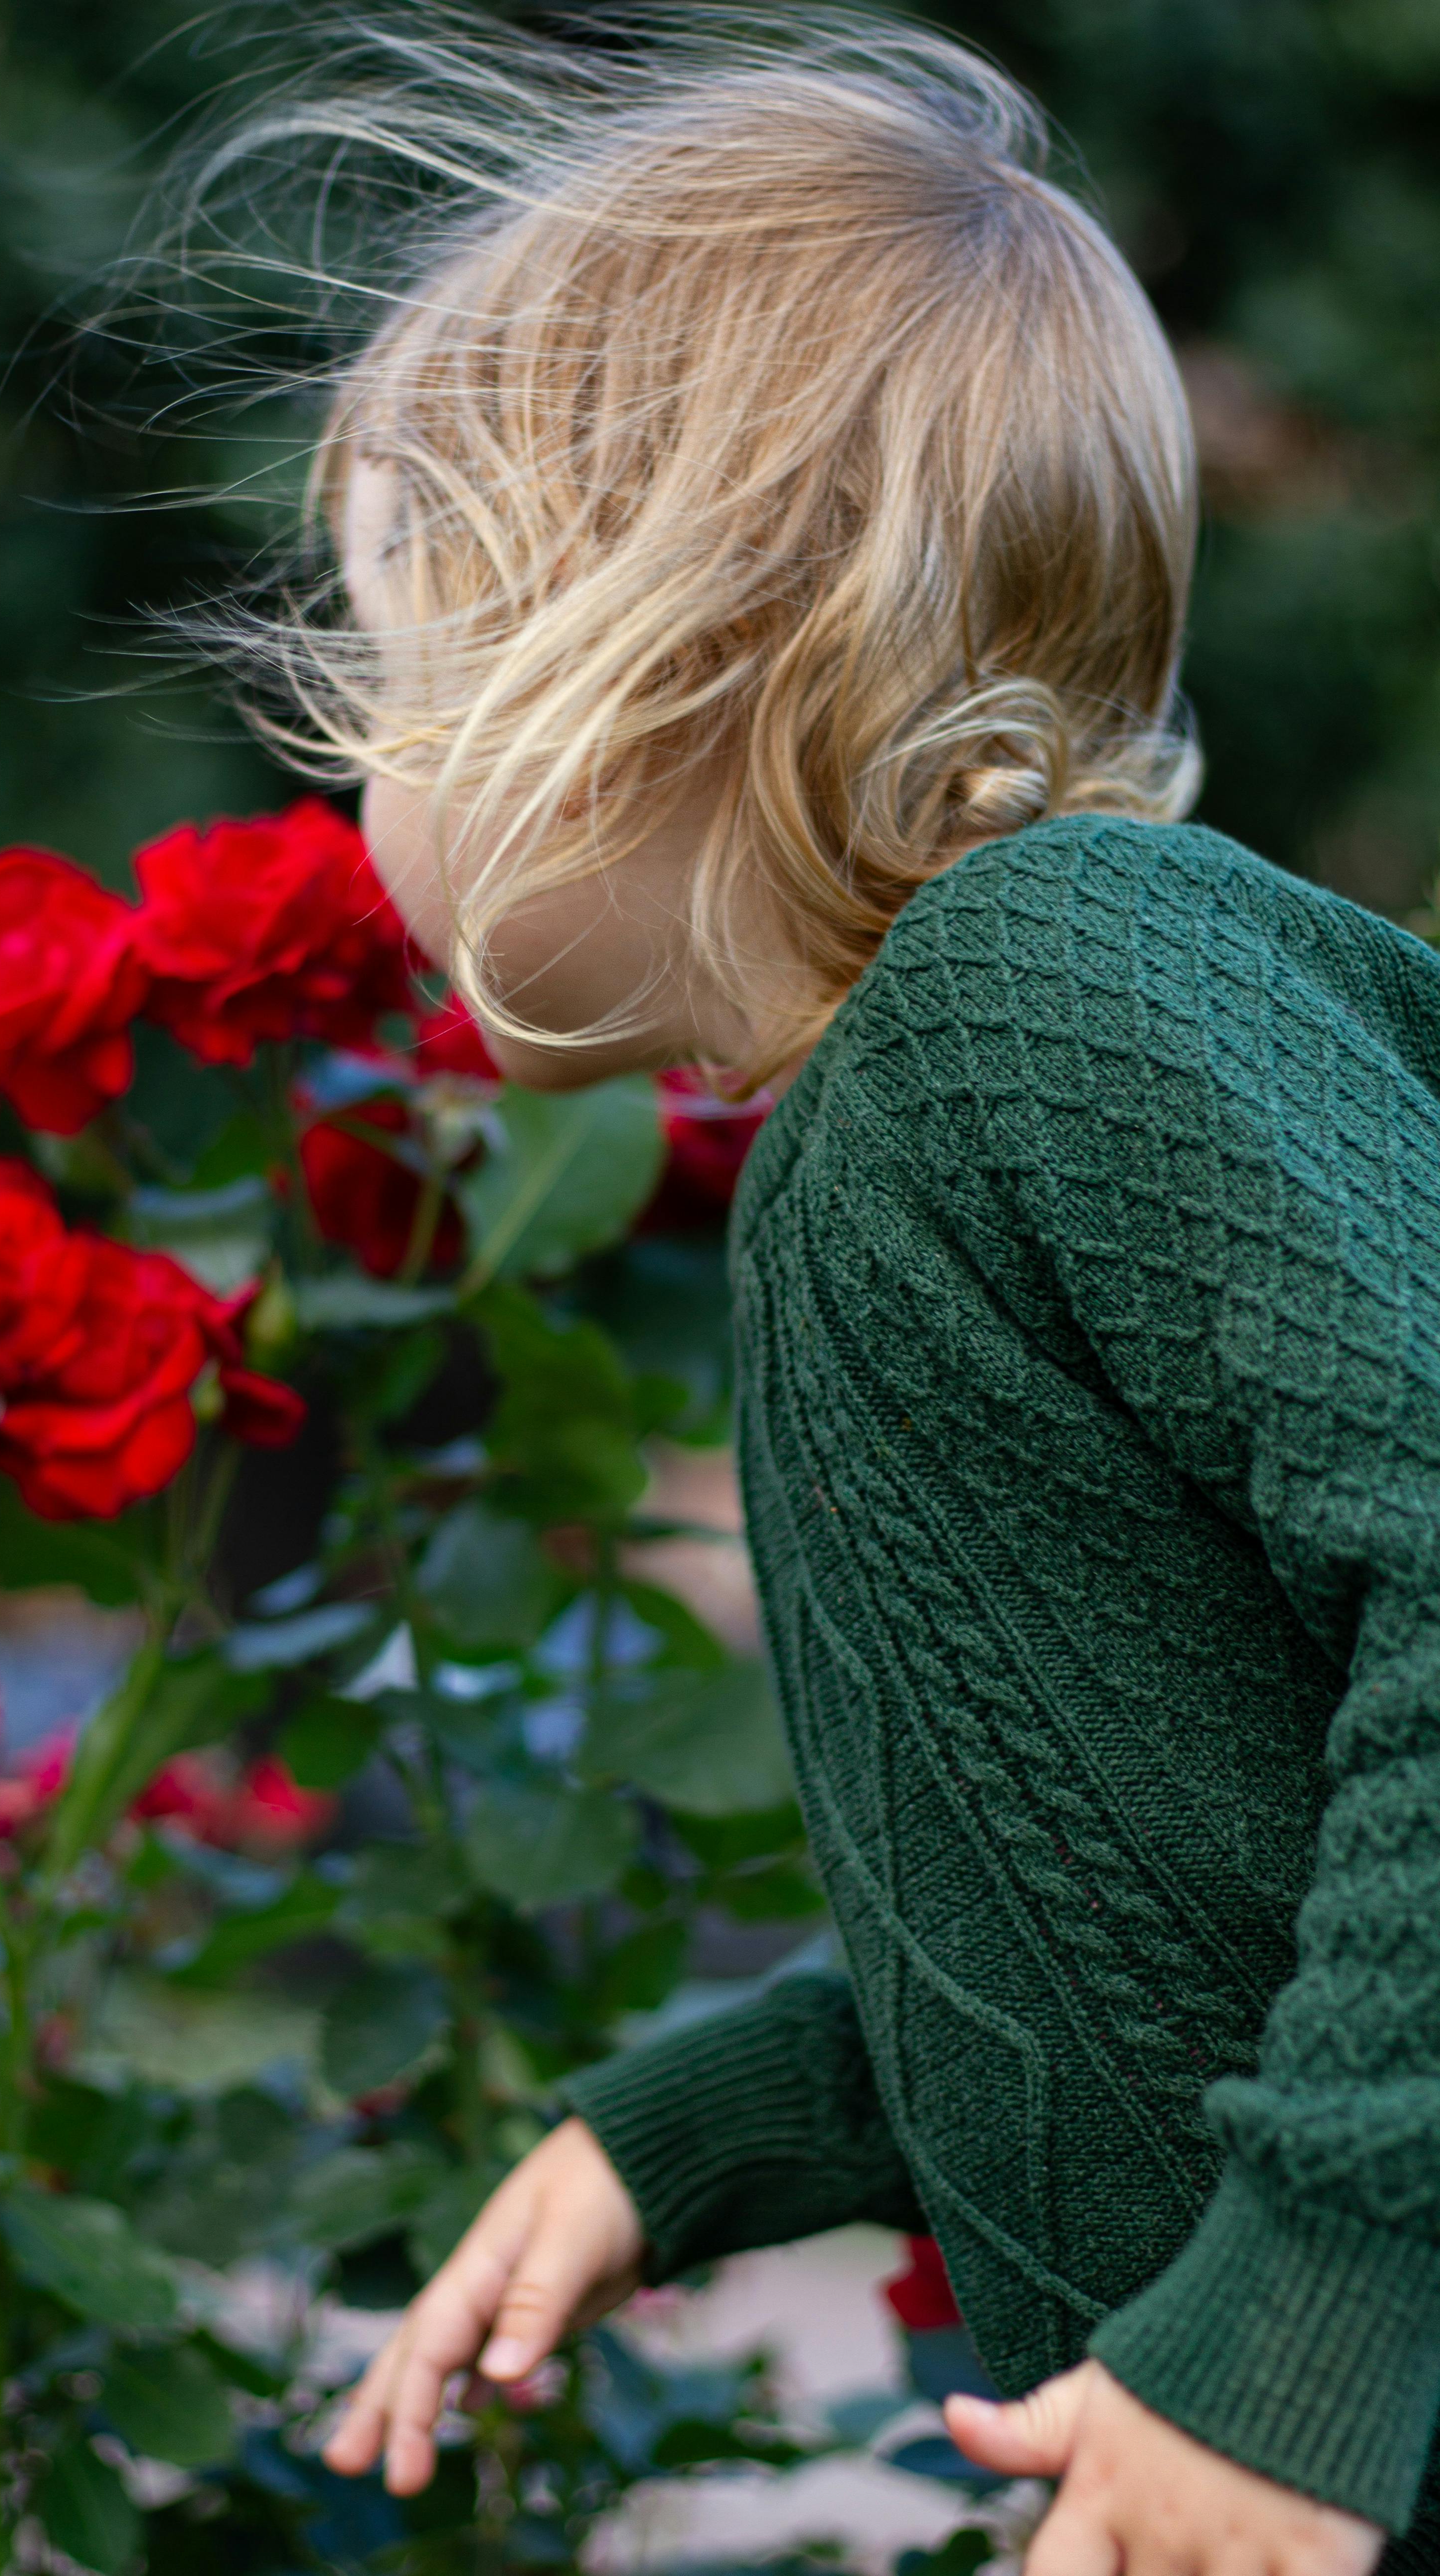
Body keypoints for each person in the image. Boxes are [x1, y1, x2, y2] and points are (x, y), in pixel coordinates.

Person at [221, 17, 1440, 2569]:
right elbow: (1176, 1896)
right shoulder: (910, 1122)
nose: (368, 785)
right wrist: (697, 2131)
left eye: (407, 675)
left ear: (669, 657)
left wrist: (1309, 2331)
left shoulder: (1043, 990)